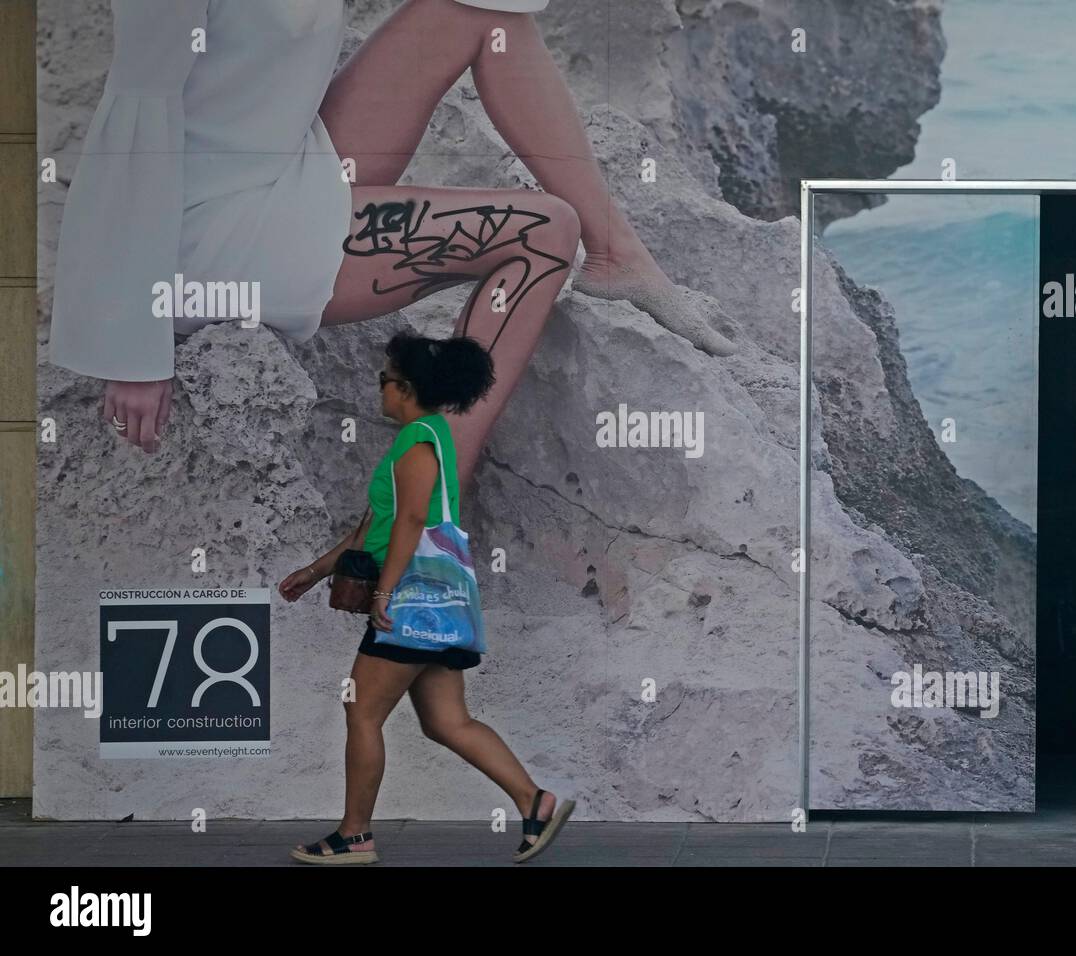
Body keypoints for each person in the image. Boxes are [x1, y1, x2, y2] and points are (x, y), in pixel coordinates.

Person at [50, 0, 736, 484]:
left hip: (285, 164)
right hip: (208, 236)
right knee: (544, 230)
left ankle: (619, 255)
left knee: (479, 15)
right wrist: (131, 346)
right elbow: (135, 116)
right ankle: (427, 506)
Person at [278, 331, 574, 864]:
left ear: (407, 388)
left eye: (384, 380)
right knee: (446, 721)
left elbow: (412, 522)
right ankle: (535, 802)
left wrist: (385, 592)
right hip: (438, 604)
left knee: (361, 711)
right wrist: (317, 570)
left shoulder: (416, 442)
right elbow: (376, 524)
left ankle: (354, 835)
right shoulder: (427, 435)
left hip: (411, 603)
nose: (380, 388)